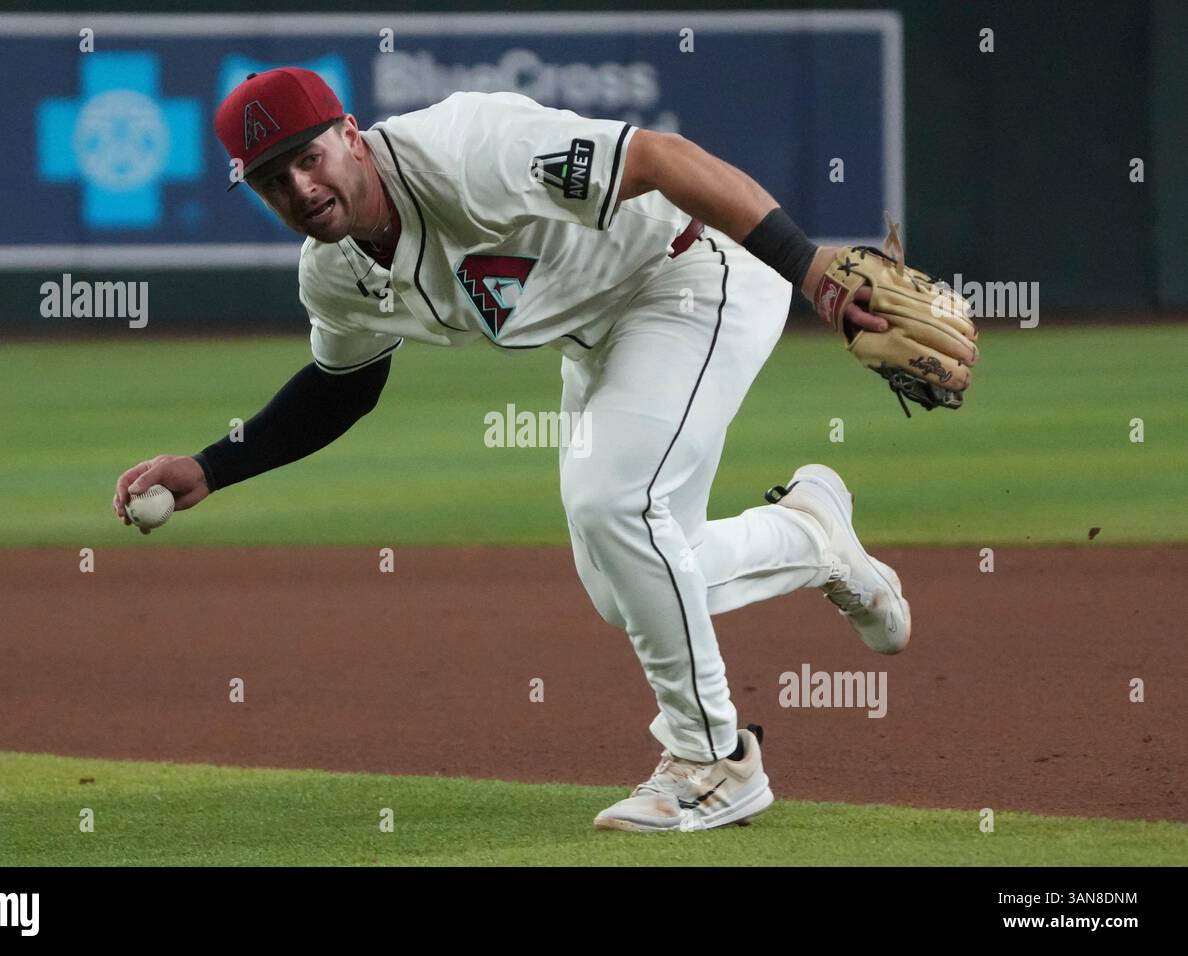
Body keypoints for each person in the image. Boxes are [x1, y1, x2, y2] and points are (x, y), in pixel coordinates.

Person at [112, 67, 909, 833]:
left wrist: (811, 273)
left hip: (693, 278)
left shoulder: (467, 150)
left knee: (613, 506)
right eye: (271, 181)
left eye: (308, 160)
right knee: (625, 584)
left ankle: (714, 763)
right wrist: (212, 467)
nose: (300, 191)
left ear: (350, 135)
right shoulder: (333, 271)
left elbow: (664, 161)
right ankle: (812, 537)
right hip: (598, 341)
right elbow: (341, 385)